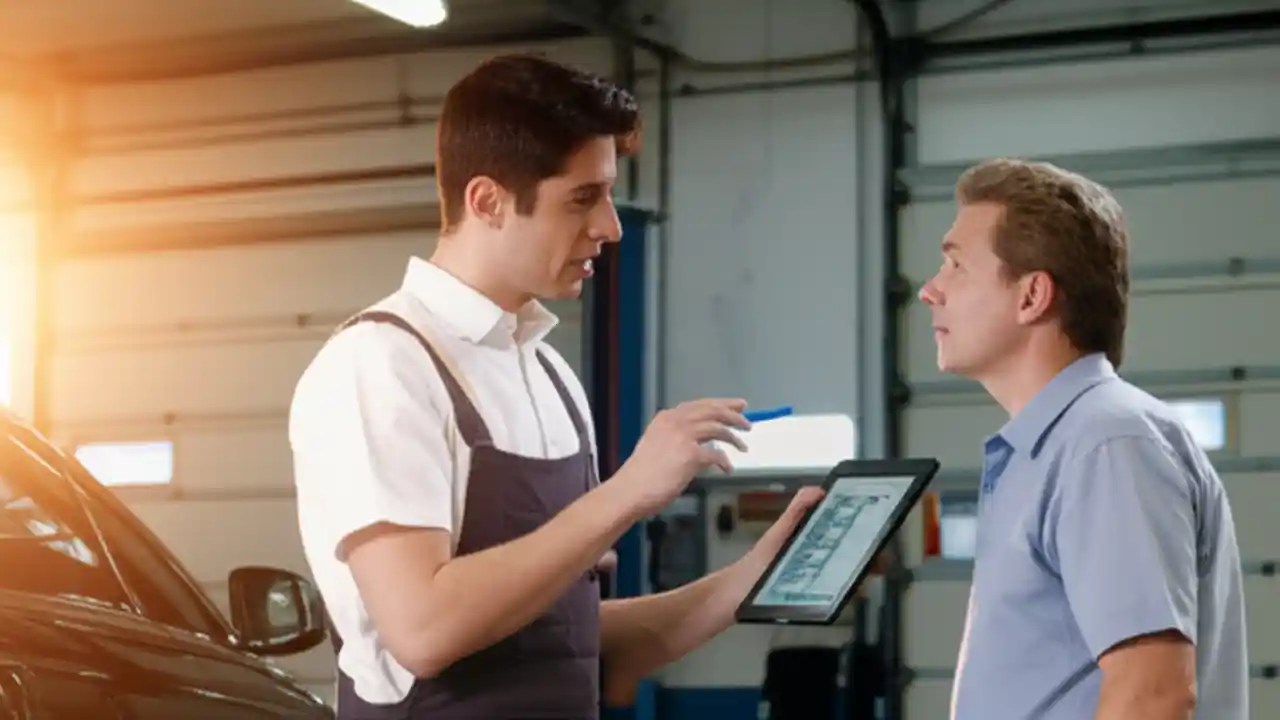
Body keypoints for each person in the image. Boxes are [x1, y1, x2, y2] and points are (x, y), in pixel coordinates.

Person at [288, 54, 823, 719]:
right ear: (487, 201)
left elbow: (575, 646)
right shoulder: (380, 367)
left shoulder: (549, 378)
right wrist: (627, 493)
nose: (611, 227)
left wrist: (752, 580)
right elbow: (423, 630)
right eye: (581, 198)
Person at [917, 157, 1249, 719]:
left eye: (955, 265)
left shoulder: (1107, 443)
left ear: (1032, 297)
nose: (930, 290)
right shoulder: (1050, 449)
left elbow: (1152, 695)